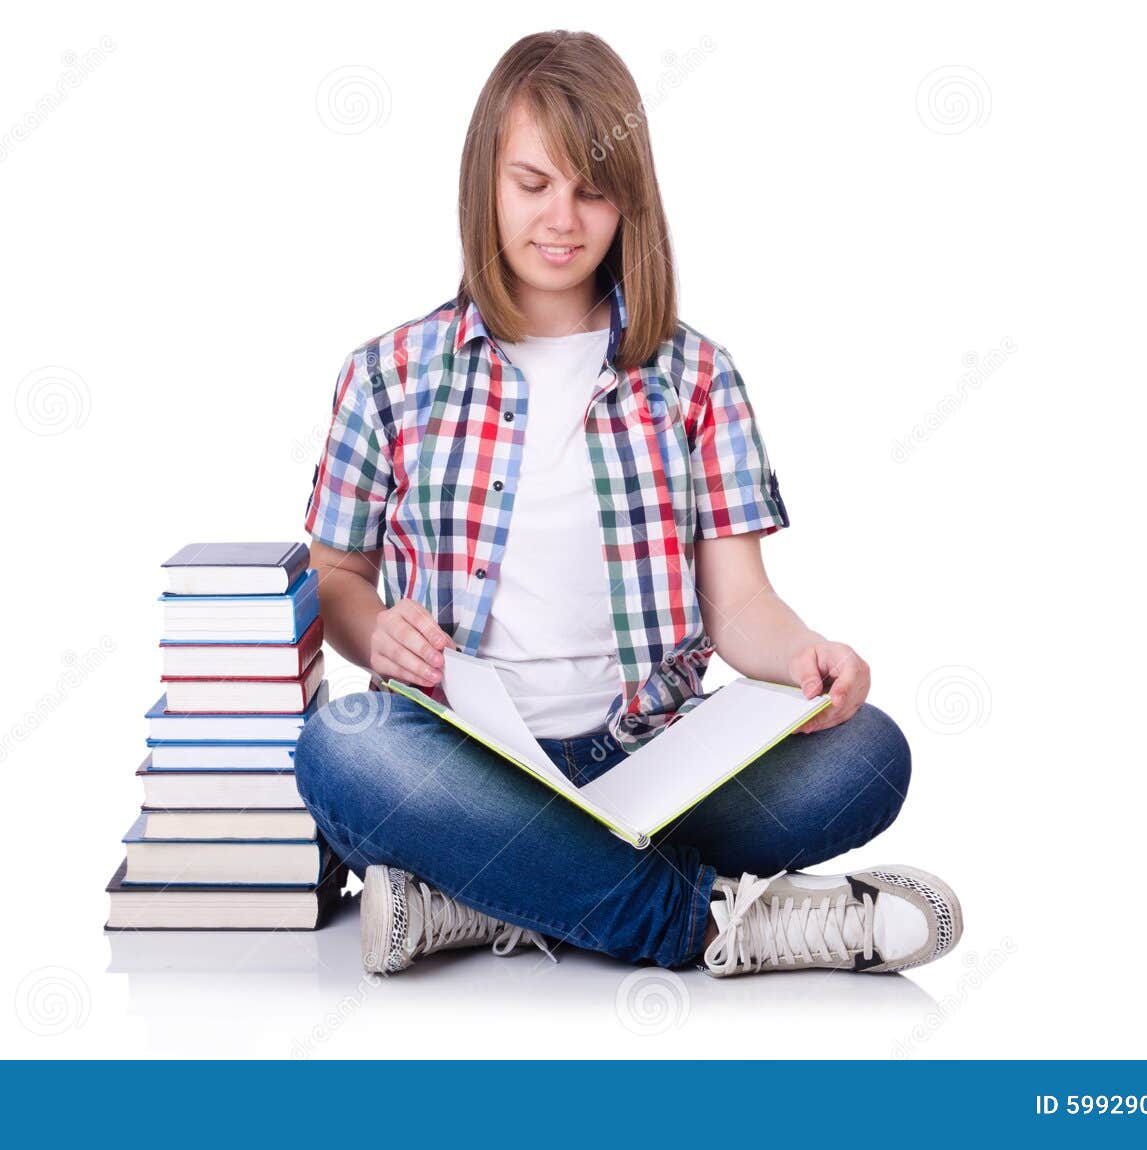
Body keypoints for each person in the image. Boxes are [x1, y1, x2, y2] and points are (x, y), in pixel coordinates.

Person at [294, 30, 962, 978]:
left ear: (630, 202)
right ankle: (711, 924)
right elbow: (335, 579)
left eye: (593, 191)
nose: (561, 219)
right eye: (533, 184)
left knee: (867, 755)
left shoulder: (696, 376)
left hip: (656, 765)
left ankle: (482, 898)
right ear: (485, 183)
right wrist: (376, 634)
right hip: (461, 759)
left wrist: (803, 655)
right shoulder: (389, 374)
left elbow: (739, 603)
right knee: (340, 748)